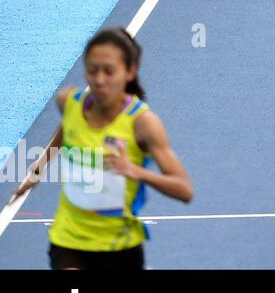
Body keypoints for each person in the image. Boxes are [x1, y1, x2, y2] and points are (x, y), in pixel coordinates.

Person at [9, 27, 194, 269]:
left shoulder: (143, 124)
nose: (99, 80)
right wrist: (37, 170)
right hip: (68, 241)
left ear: (130, 72)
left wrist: (136, 172)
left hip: (119, 247)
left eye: (109, 71)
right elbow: (67, 128)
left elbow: (184, 190)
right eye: (92, 70)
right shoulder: (68, 102)